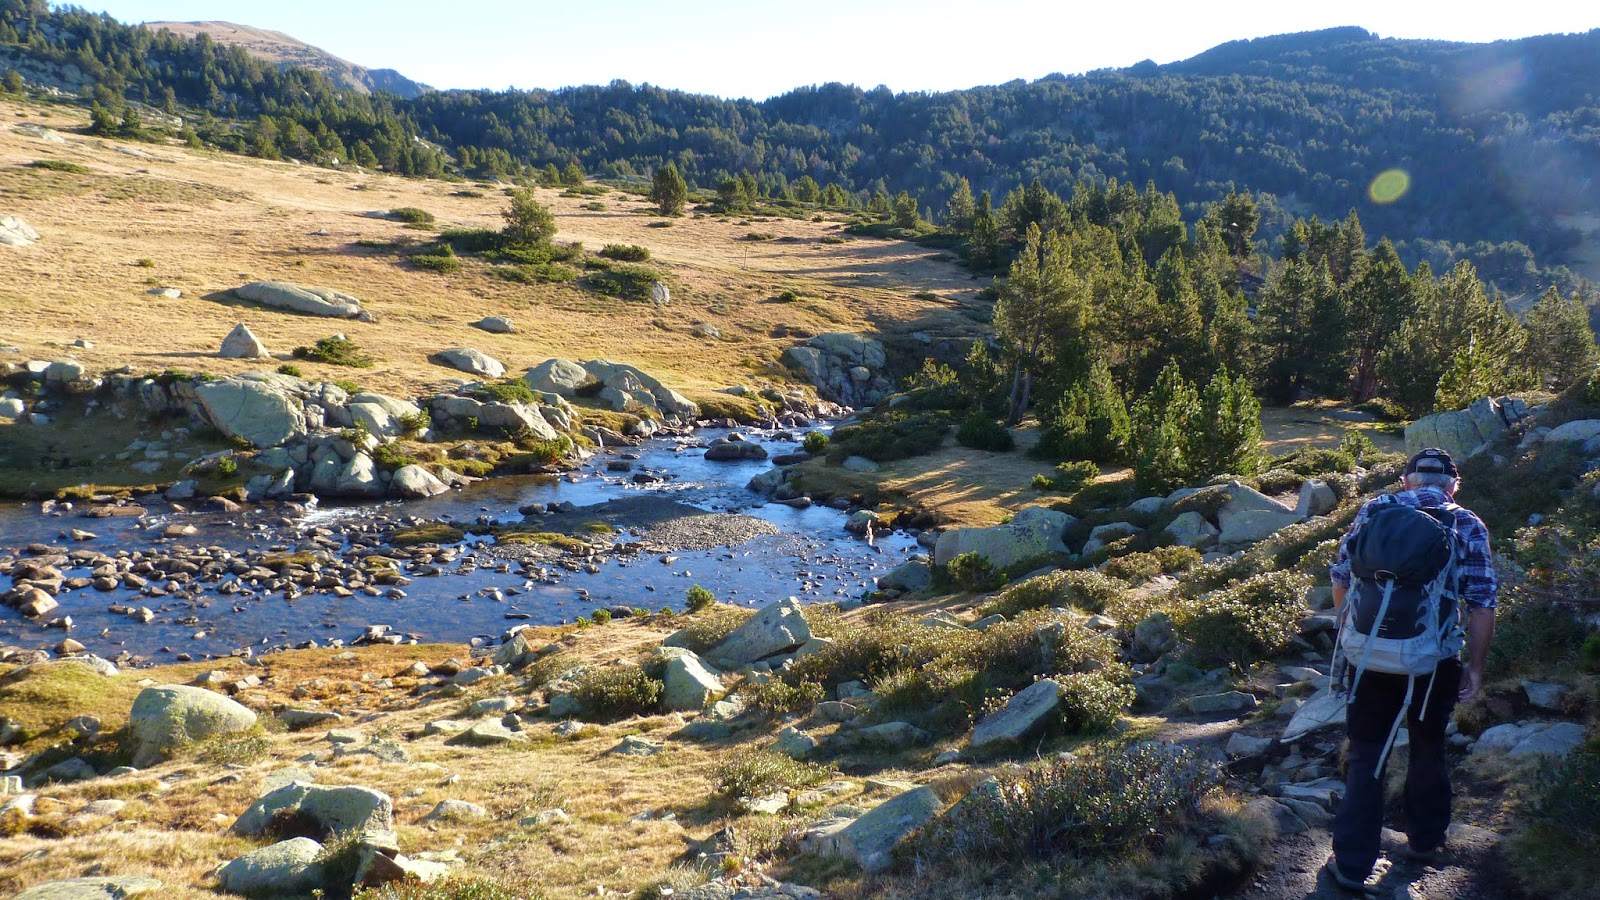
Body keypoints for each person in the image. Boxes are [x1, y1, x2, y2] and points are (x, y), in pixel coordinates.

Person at [1324, 447, 1497, 893]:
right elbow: (1481, 604)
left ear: (1406, 480)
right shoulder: (1468, 523)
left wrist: (1353, 643)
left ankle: (1351, 866)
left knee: (1365, 755)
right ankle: (1425, 841)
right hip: (1433, 660)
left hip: (1369, 660)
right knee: (1427, 744)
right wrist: (1474, 669)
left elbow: (1341, 577)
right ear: (1453, 485)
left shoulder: (1374, 510)